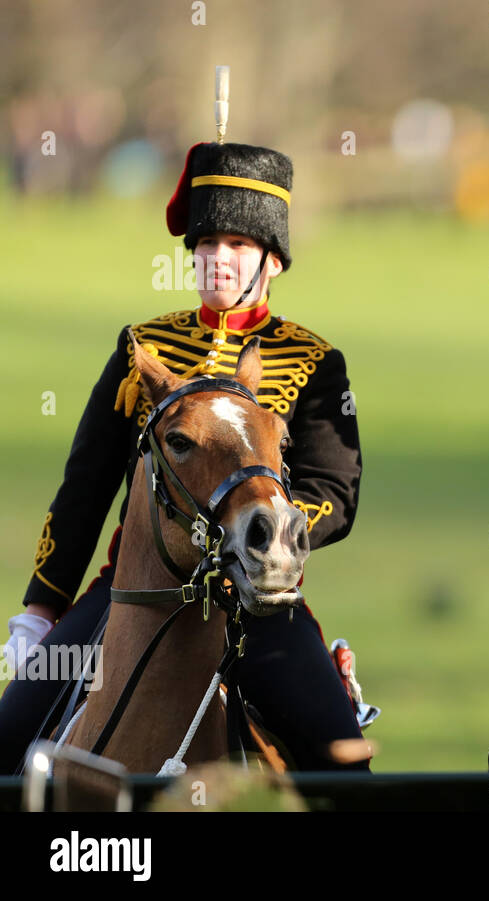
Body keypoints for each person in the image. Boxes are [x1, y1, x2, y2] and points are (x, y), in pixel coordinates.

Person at [0, 140, 369, 772]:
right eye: (206, 245)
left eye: (239, 246)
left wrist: (260, 527)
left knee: (344, 762)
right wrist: (41, 609)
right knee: (8, 740)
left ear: (273, 261)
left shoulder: (314, 360)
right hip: (134, 592)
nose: (218, 260)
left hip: (257, 594)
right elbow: (86, 486)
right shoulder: (142, 346)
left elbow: (334, 493)